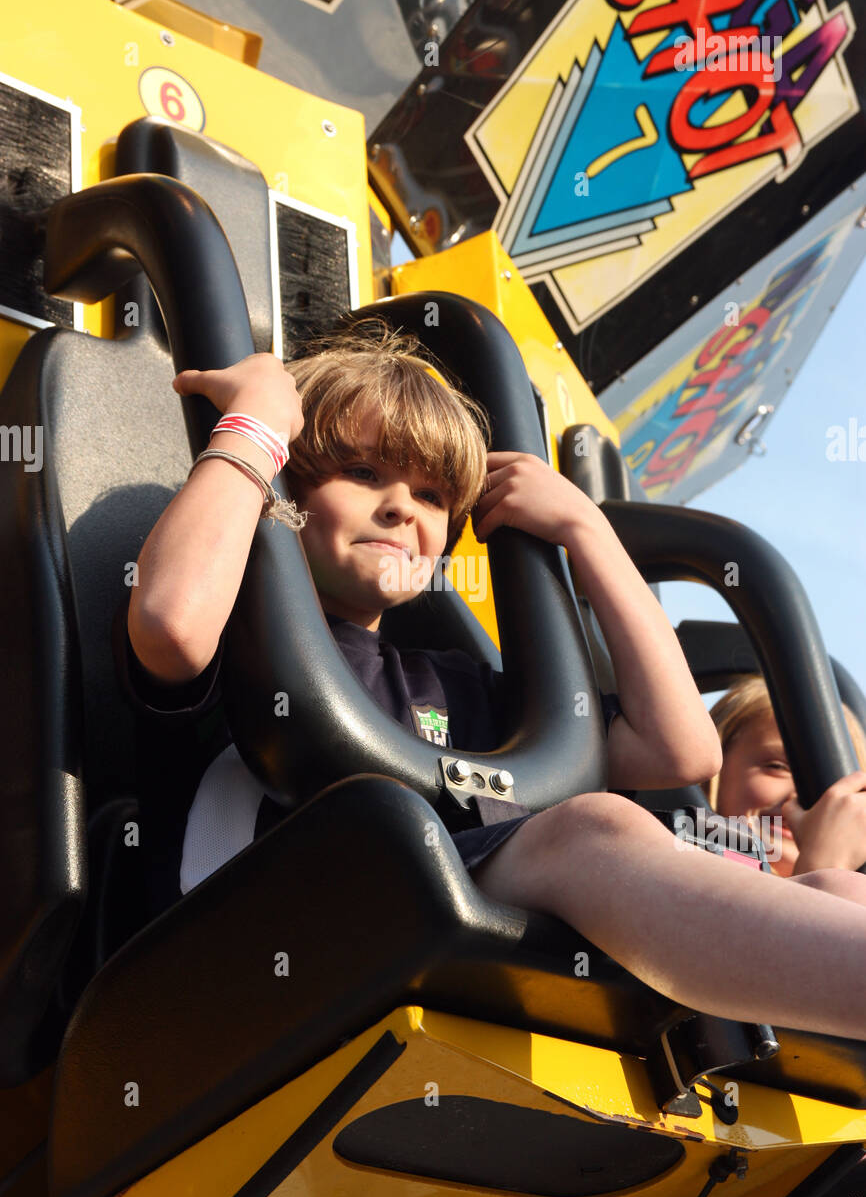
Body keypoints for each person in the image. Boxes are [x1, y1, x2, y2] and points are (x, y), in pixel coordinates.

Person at [116, 323, 866, 1042]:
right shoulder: (242, 644)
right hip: (258, 958)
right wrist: (256, 425)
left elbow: (683, 749)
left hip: (452, 944)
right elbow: (171, 622)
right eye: (364, 472)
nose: (401, 506)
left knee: (840, 891)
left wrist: (585, 531)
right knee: (590, 827)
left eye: (434, 496)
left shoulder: (460, 690)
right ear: (287, 475)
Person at [704, 675, 866, 879]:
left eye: (831, 785)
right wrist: (824, 867)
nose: (799, 799)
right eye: (777, 767)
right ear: (713, 771)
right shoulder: (693, 869)